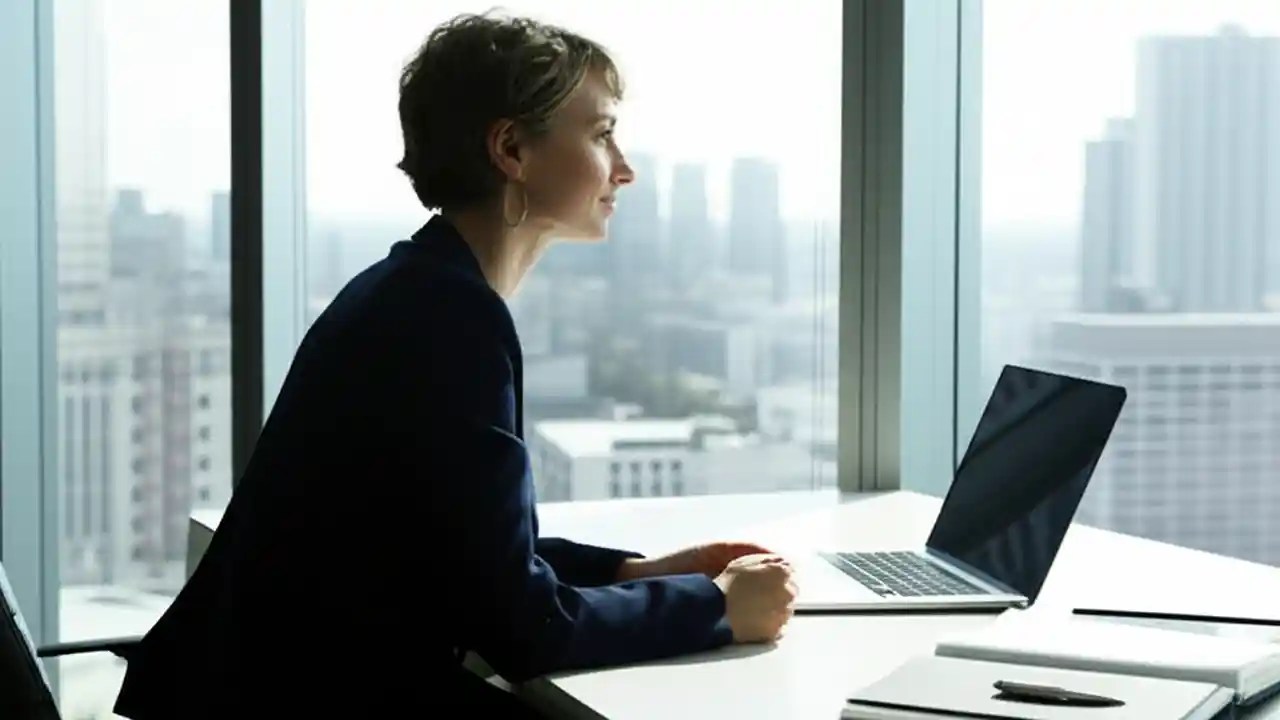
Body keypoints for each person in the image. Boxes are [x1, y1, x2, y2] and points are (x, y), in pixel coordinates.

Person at [113, 11, 796, 719]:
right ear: (510, 149)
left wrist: (636, 572)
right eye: (600, 134)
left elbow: (467, 558)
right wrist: (715, 607)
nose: (623, 166)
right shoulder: (447, 321)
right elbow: (524, 631)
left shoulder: (413, 289)